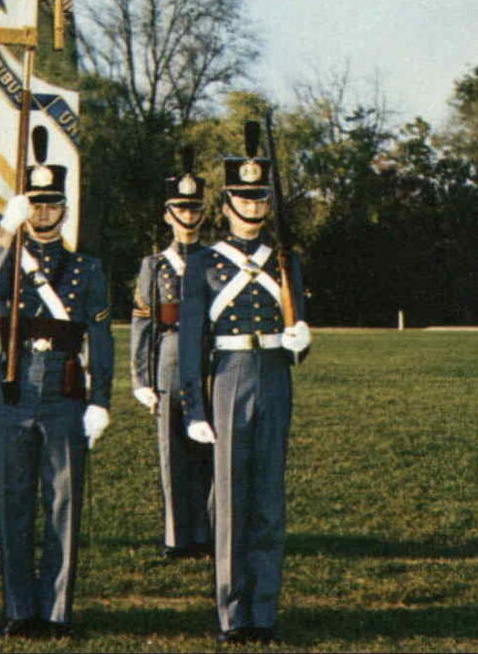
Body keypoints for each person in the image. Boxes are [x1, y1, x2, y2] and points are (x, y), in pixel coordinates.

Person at [0, 132, 113, 638]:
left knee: (63, 503)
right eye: (36, 204)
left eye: (52, 204)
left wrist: (101, 400)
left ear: (64, 209)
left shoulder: (87, 268)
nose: (45, 213)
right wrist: (5, 229)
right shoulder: (9, 259)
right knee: (13, 502)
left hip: (64, 388)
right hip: (12, 388)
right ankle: (18, 609)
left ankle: (56, 611)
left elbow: (100, 336)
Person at [178, 122, 311, 644]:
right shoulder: (203, 262)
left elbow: (300, 326)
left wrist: (302, 340)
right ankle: (233, 613)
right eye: (243, 198)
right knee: (231, 500)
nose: (253, 208)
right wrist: (194, 408)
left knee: (269, 499)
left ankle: (264, 608)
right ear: (227, 201)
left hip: (275, 376)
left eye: (260, 198)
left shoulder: (285, 260)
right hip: (229, 378)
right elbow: (191, 342)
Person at [129, 150, 213, 559]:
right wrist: (141, 380)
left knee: (211, 450)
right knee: (172, 451)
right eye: (180, 207)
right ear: (167, 214)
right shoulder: (154, 264)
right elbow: (143, 324)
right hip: (167, 361)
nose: (188, 215)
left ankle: (210, 531)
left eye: (194, 207)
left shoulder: (216, 260)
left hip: (211, 363)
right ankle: (178, 536)